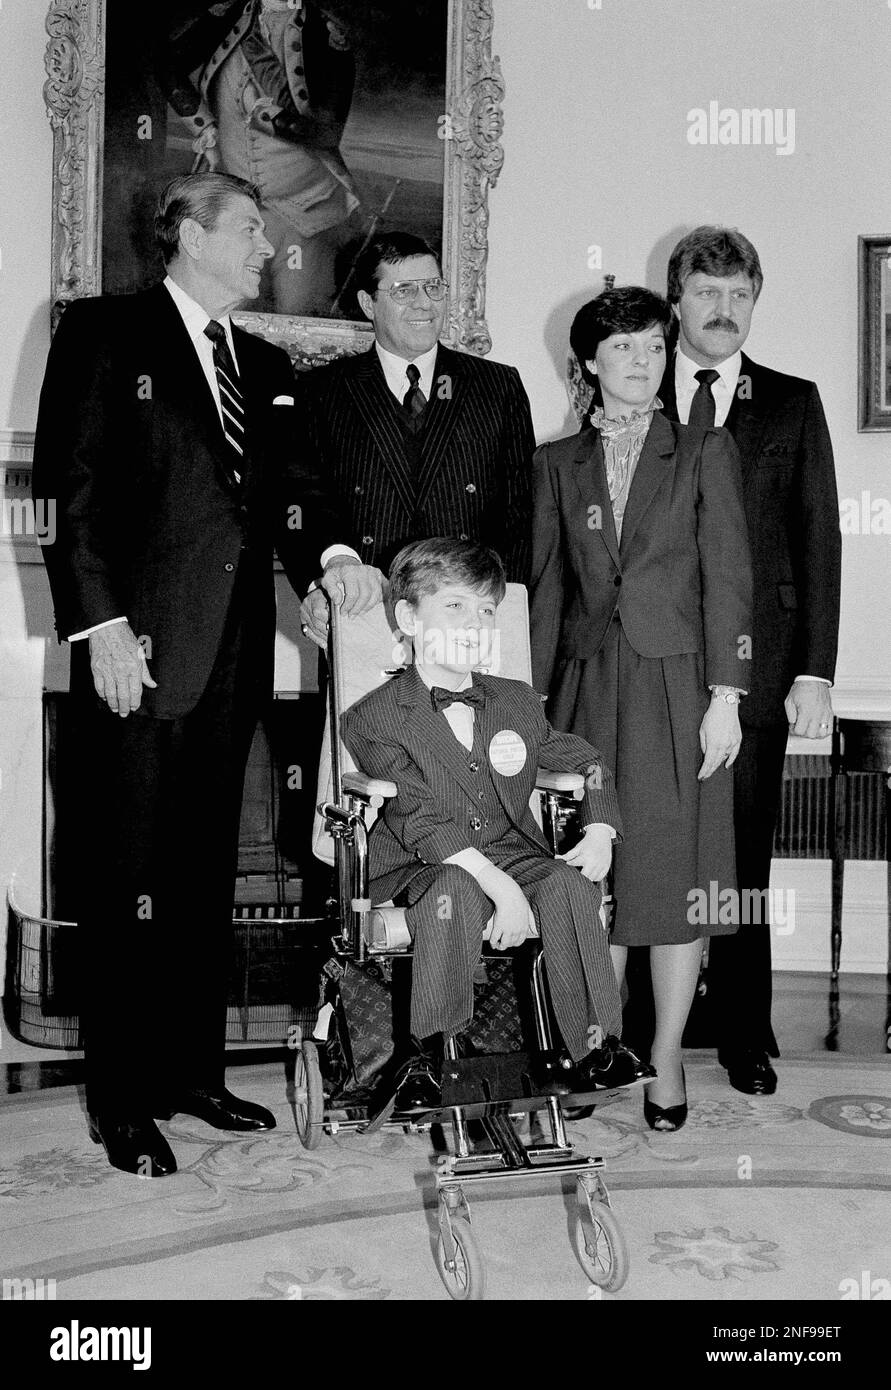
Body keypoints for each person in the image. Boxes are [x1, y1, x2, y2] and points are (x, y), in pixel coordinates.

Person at [31, 172, 380, 1177]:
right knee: (125, 876)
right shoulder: (104, 333)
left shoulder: (262, 360)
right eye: (251, 234)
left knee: (195, 877)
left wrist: (338, 561)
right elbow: (75, 487)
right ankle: (122, 1098)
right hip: (132, 654)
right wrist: (99, 624)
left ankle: (188, 1070)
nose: (268, 252)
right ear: (188, 234)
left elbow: (295, 494)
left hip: (227, 665)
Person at [530, 286, 753, 1132]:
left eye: (654, 347)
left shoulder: (704, 450)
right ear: (588, 362)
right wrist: (537, 716)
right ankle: (598, 1047)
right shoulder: (555, 465)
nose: (640, 362)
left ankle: (663, 1061)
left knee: (670, 882)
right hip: (589, 691)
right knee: (593, 883)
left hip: (678, 689)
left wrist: (725, 697)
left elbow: (728, 580)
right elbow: (548, 595)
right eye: (621, 347)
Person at [341, 537, 654, 1116]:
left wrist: (601, 829)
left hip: (508, 848)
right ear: (408, 618)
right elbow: (423, 821)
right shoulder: (374, 717)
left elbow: (585, 760)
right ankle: (432, 1055)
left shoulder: (514, 701)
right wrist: (503, 890)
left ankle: (593, 1047)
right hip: (420, 862)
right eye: (454, 606)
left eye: (486, 610)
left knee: (568, 883)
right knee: (454, 893)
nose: (473, 622)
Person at [659, 227, 841, 1096]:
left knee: (740, 862)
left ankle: (742, 1029)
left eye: (739, 296)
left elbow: (818, 542)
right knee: (648, 847)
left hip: (758, 672)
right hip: (649, 667)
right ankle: (635, 1027)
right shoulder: (630, 386)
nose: (724, 311)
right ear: (677, 301)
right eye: (707, 294)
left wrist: (813, 670)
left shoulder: (792, 402)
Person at [297, 230, 535, 650]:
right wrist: (319, 587)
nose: (424, 303)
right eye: (404, 290)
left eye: (433, 287)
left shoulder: (497, 386)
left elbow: (520, 515)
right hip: (362, 619)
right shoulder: (323, 391)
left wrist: (496, 610)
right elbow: (305, 501)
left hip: (471, 627)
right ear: (368, 304)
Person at [164, 0, 359, 315]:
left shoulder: (323, 28)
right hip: (229, 213)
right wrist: (204, 125)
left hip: (303, 211)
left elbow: (326, 133)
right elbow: (167, 66)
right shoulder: (230, 15)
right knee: (225, 323)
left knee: (300, 323)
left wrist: (272, 119)